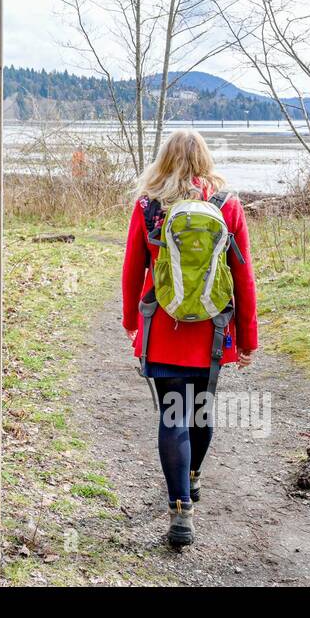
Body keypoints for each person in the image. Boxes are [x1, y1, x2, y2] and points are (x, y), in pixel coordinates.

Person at [121, 130, 258, 548]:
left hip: (163, 330)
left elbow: (132, 272)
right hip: (212, 333)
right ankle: (192, 476)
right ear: (205, 160)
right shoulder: (226, 204)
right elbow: (243, 277)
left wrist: (132, 323)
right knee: (199, 409)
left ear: (163, 160)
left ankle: (181, 508)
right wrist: (247, 339)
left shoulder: (149, 207)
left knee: (171, 414)